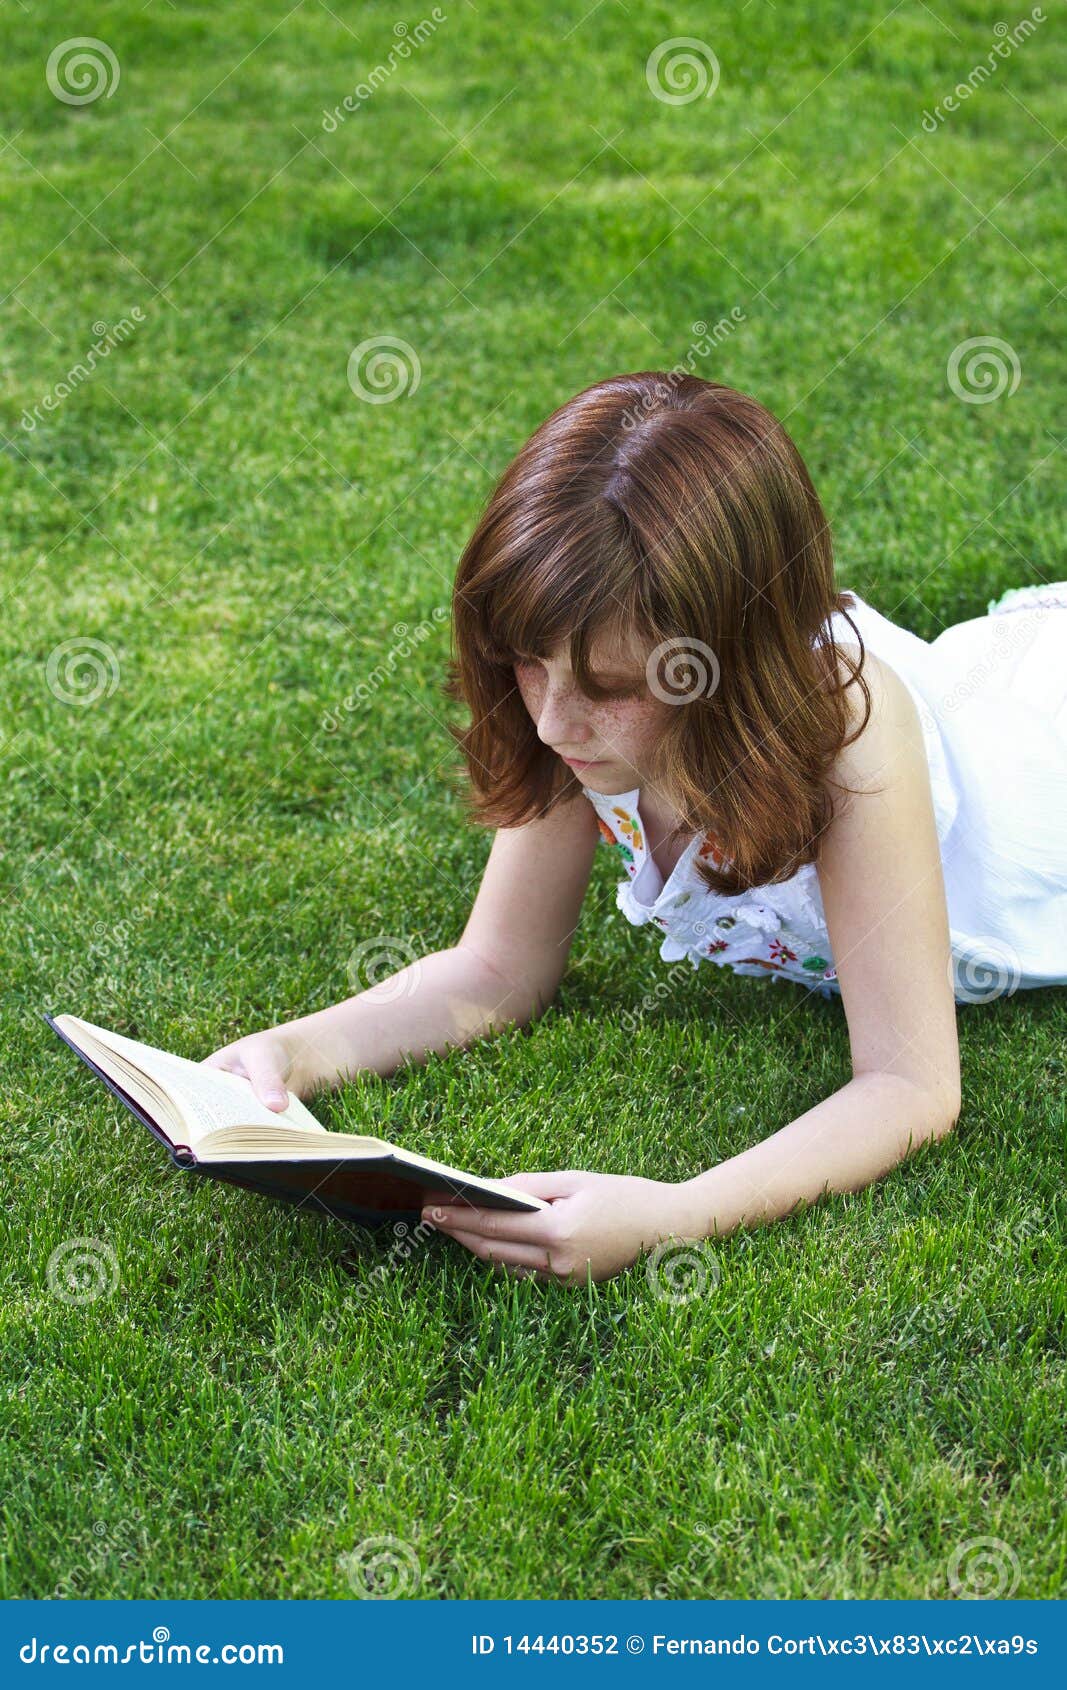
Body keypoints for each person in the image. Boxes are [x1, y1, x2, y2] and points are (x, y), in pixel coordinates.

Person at [204, 374, 1067, 1285]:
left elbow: (909, 1084)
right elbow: (497, 970)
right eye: (526, 664)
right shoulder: (585, 718)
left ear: (728, 663)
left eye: (611, 687)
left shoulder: (845, 730)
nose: (550, 724)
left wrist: (676, 1212)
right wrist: (291, 1053)